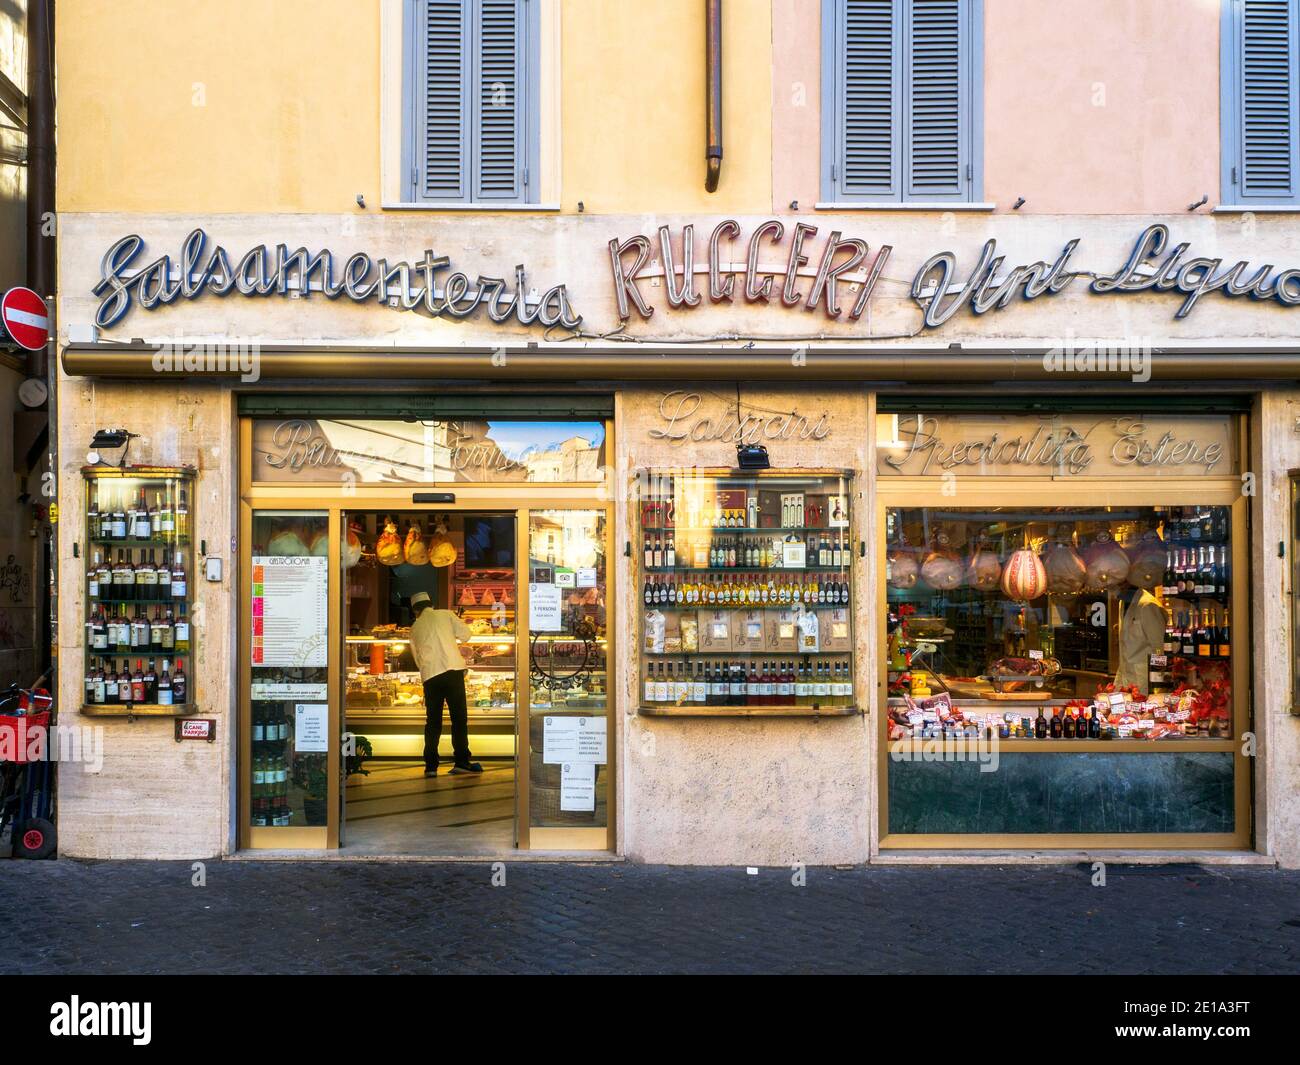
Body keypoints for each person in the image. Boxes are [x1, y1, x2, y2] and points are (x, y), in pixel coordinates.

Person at [408, 591, 482, 777]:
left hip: (431, 676)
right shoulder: (446, 614)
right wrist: (452, 640)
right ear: (431, 604)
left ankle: (431, 766)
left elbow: (417, 658)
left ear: (415, 610)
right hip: (452, 671)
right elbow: (466, 635)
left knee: (433, 722)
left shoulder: (415, 627)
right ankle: (461, 761)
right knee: (459, 720)